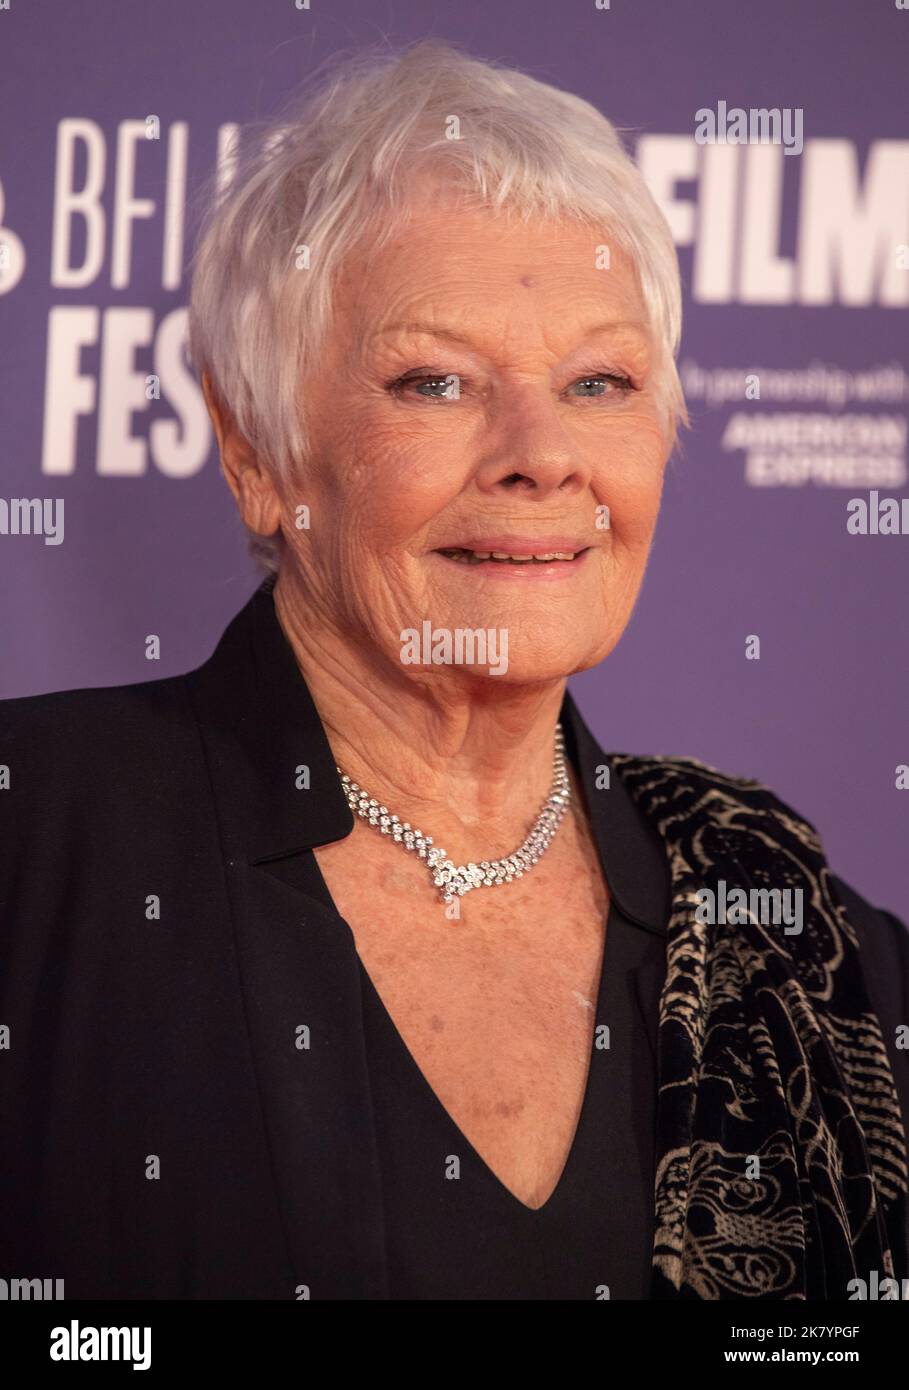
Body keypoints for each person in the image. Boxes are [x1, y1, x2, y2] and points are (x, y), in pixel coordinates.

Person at [1, 40, 906, 1300]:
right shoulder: (33, 838)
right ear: (257, 447)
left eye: (599, 381)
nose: (542, 454)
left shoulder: (807, 945)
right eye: (436, 380)